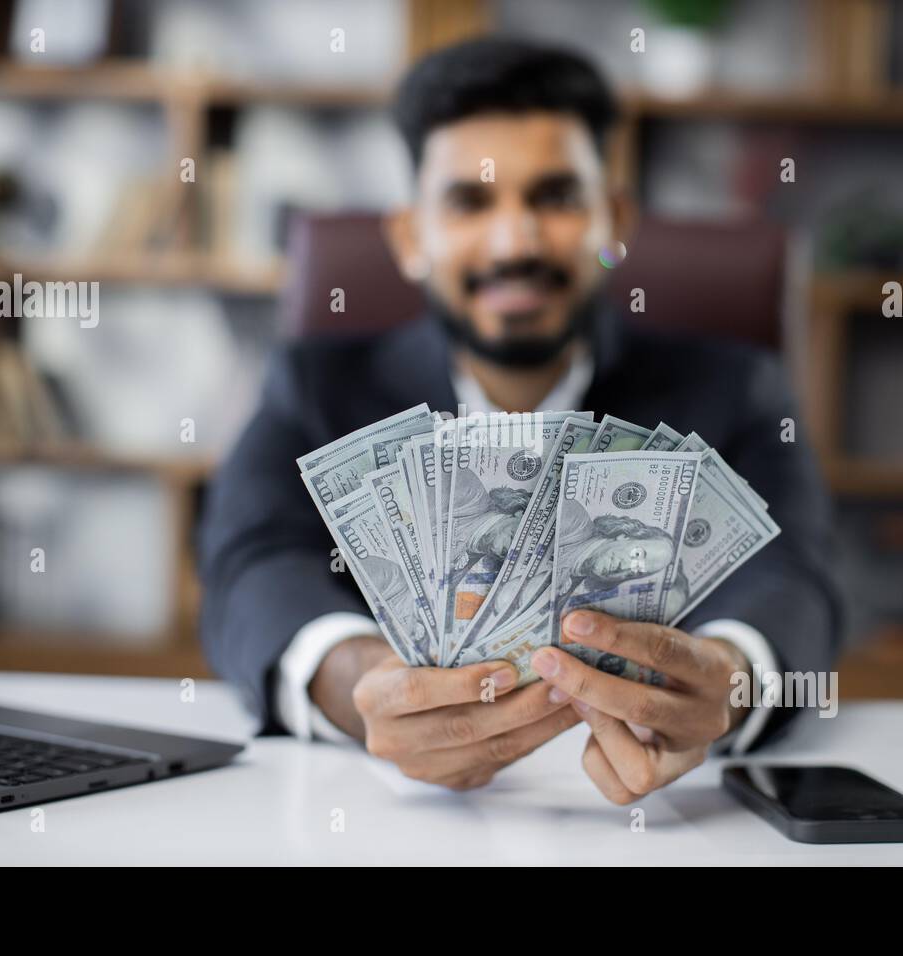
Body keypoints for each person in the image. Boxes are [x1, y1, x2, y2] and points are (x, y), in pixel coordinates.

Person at [199, 37, 841, 803]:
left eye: (557, 197)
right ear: (410, 238)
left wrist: (727, 683)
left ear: (615, 221)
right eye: (470, 202)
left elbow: (797, 577)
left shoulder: (736, 388)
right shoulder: (312, 384)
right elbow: (249, 567)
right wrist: (359, 684)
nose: (516, 241)